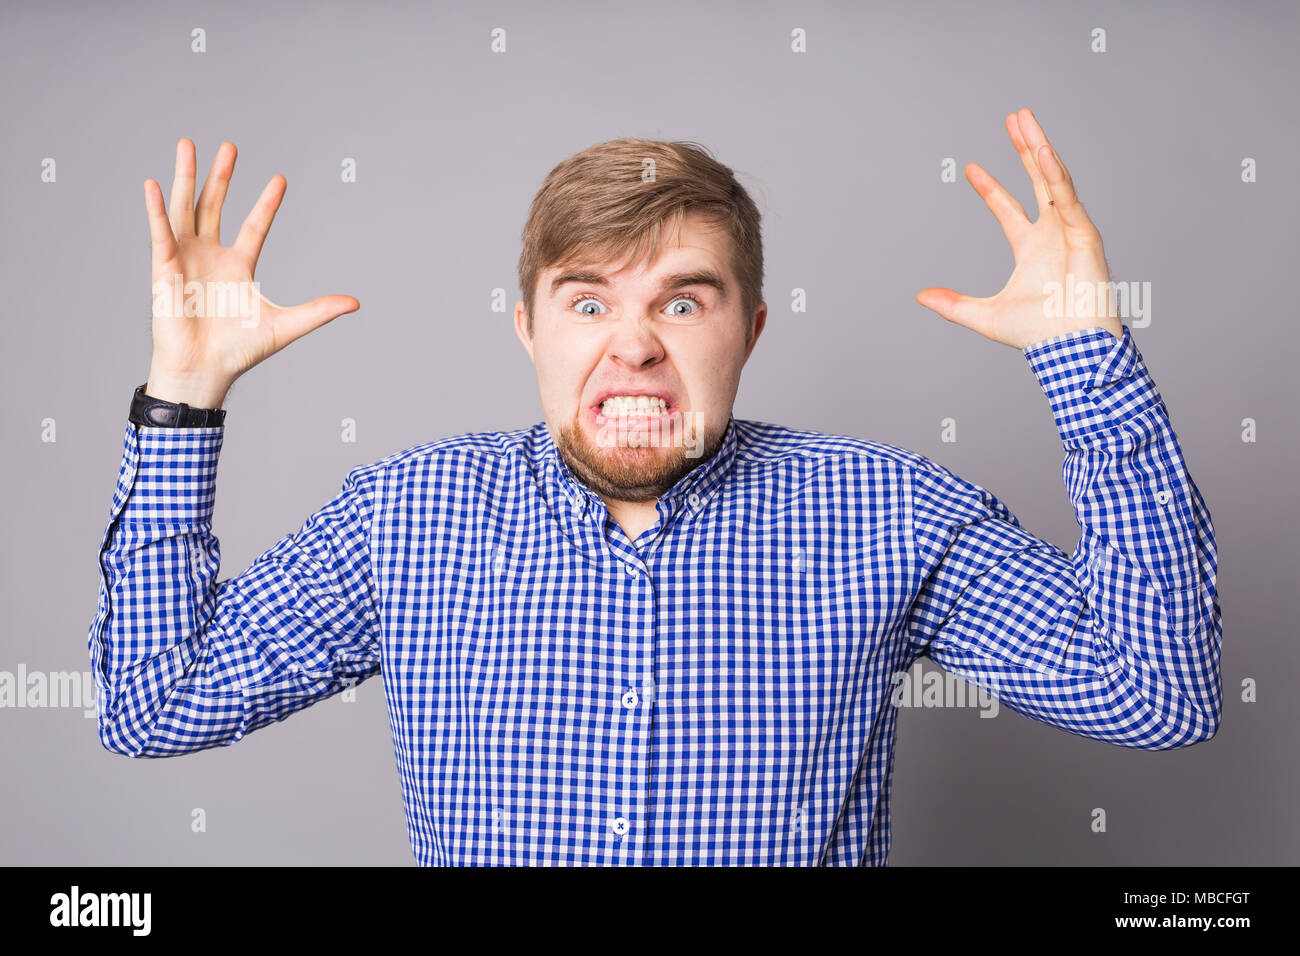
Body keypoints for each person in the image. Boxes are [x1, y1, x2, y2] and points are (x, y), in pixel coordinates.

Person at [90, 109, 1221, 866]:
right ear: (527, 326)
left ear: (751, 328)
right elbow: (151, 705)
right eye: (587, 301)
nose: (632, 345)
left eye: (683, 301)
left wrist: (1085, 360)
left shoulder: (890, 509)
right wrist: (182, 399)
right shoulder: (405, 516)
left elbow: (1155, 694)